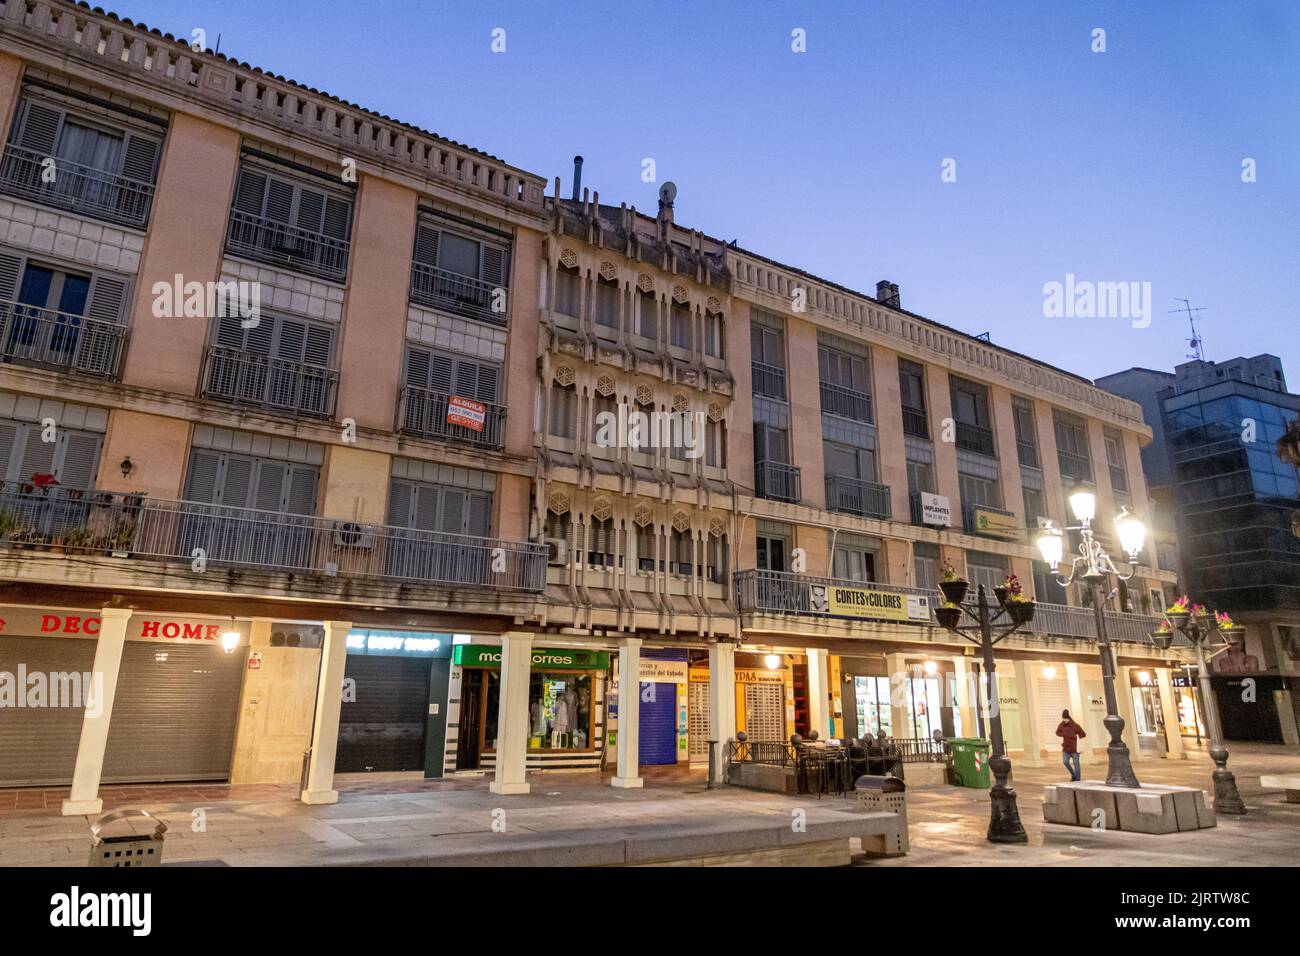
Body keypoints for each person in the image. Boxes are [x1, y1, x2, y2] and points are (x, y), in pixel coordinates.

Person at [1055, 709, 1087, 781]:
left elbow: (1083, 734)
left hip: (1074, 748)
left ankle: (1077, 779)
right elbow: (1057, 732)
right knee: (1065, 762)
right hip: (1066, 748)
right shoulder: (1061, 725)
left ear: (1069, 718)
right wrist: (1063, 734)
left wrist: (1077, 736)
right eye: (1063, 718)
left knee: (1076, 764)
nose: (1065, 720)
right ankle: (1073, 775)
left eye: (1066, 718)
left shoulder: (1075, 725)